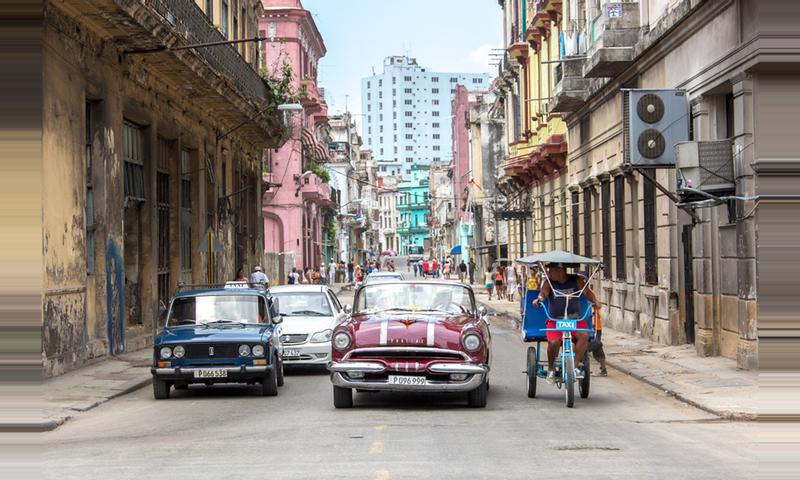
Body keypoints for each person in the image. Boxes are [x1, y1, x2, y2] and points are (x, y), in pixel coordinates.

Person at [532, 263, 602, 385]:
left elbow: (586, 292)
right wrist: (539, 299)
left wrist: (595, 301)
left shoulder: (576, 280)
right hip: (555, 320)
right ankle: (551, 369)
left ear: (561, 270)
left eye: (551, 270)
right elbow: (543, 293)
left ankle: (574, 367)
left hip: (574, 319)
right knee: (554, 342)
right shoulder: (549, 282)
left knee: (584, 335)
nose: (549, 273)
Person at [591, 304, 608, 376]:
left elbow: (598, 305)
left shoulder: (589, 294)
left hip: (594, 327)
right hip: (583, 326)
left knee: (597, 348)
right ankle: (582, 368)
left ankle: (603, 369)